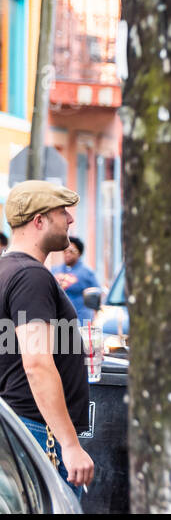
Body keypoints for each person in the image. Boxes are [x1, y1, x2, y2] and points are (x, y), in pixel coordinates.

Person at [0, 181, 94, 500]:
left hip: (20, 431)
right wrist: (69, 445)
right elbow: (37, 363)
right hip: (39, 435)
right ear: (39, 221)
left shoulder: (6, 271)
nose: (70, 220)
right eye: (62, 212)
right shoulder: (31, 276)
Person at [50, 236, 99, 325]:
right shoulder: (54, 270)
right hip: (58, 320)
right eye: (65, 251)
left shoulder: (87, 272)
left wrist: (95, 317)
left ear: (79, 253)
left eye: (71, 251)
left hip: (80, 320)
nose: (67, 254)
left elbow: (97, 295)